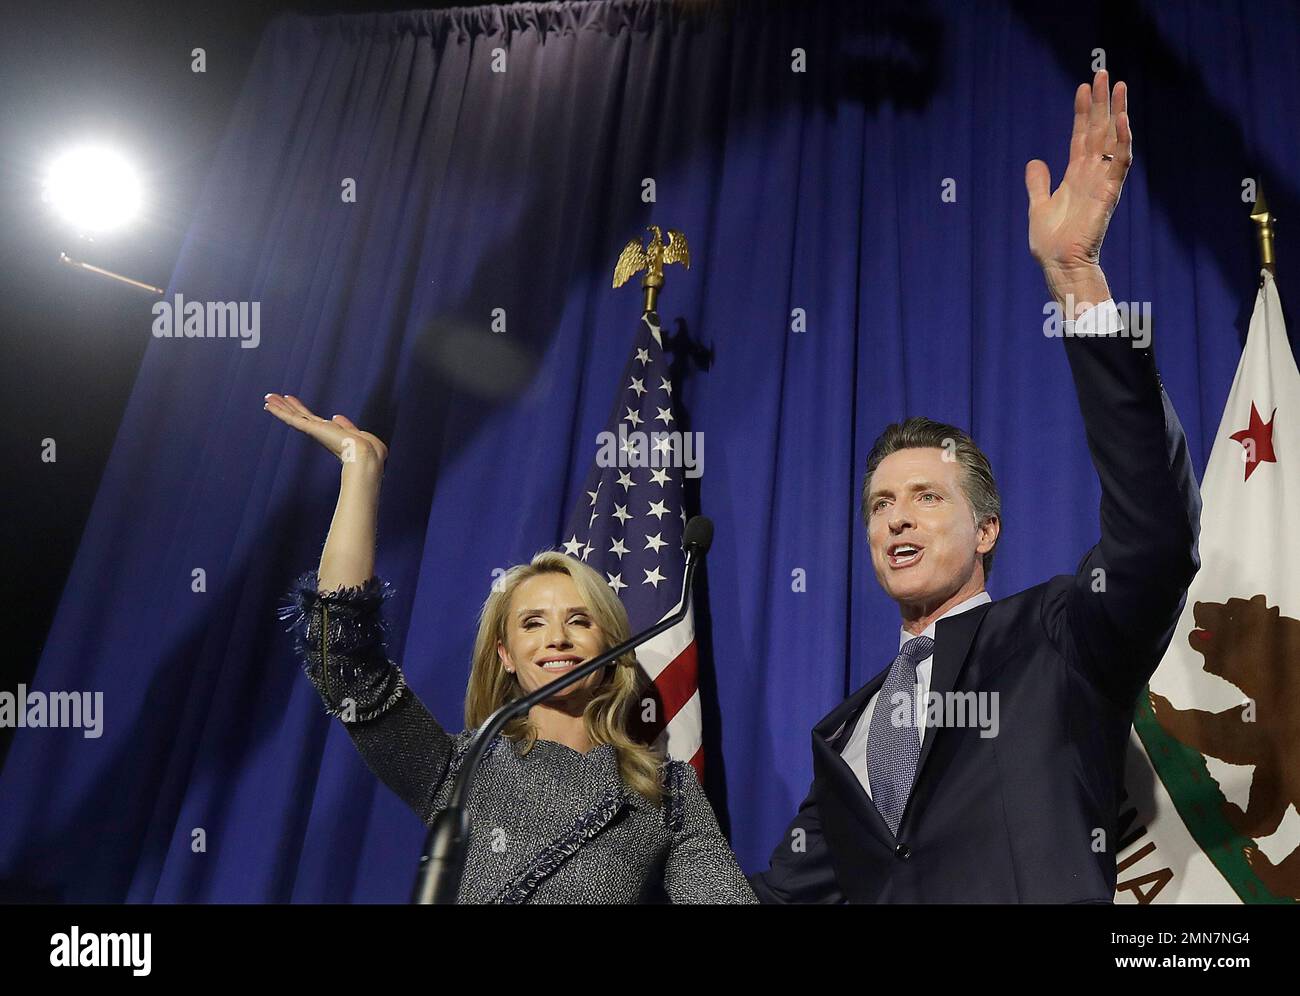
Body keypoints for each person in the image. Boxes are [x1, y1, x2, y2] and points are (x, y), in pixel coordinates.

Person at [750, 69, 1201, 902]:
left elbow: (1159, 534)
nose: (896, 519)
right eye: (881, 504)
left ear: (986, 530)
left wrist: (1077, 281)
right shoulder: (845, 733)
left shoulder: (1059, 638)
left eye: (927, 496)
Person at [264, 394, 755, 904]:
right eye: (533, 623)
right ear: (505, 655)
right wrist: (359, 469)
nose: (557, 638)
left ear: (612, 645)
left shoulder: (665, 792)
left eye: (580, 620)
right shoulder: (461, 768)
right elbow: (344, 666)